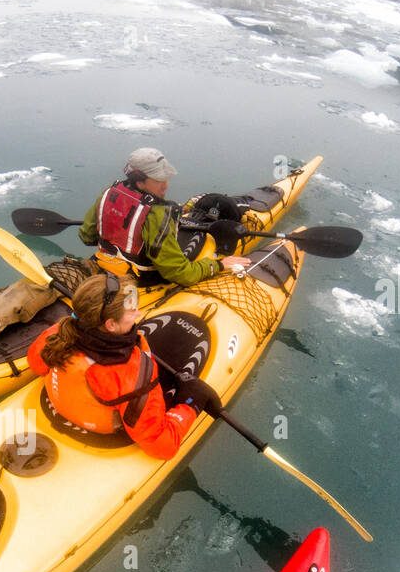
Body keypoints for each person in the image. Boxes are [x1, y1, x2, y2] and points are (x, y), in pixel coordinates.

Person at [27, 274, 217, 461]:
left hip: (58, 405)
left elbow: (35, 364)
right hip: (102, 430)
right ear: (110, 325)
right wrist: (190, 404)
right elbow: (162, 446)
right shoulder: (132, 374)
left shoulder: (58, 332)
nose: (139, 314)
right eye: (133, 310)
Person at [79, 147, 251, 286]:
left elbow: (87, 236)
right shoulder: (157, 212)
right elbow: (180, 273)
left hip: (103, 263)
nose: (166, 185)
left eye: (166, 178)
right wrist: (220, 264)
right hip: (139, 278)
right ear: (140, 181)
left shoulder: (110, 192)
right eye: (159, 180)